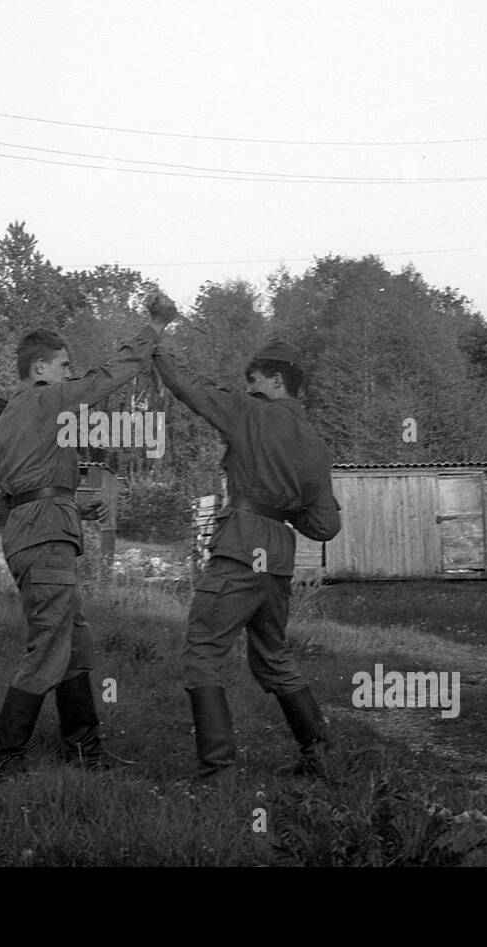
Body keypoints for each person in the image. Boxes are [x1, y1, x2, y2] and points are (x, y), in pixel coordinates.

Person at [148, 293, 342, 783]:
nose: (247, 386)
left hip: (239, 548)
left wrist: (158, 335)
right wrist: (288, 501)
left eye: (252, 378)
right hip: (277, 558)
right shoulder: (316, 443)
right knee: (274, 658)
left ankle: (217, 773)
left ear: (275, 379)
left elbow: (187, 387)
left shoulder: (248, 413)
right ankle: (321, 758)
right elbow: (326, 527)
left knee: (201, 655)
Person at [0, 301, 170, 780]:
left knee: (74, 646)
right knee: (50, 646)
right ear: (40, 368)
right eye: (64, 365)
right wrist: (152, 330)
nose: (70, 374)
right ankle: (6, 760)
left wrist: (76, 505)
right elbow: (106, 377)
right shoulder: (48, 398)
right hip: (45, 538)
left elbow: (28, 486)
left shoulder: (10, 414)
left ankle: (84, 752)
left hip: (37, 529)